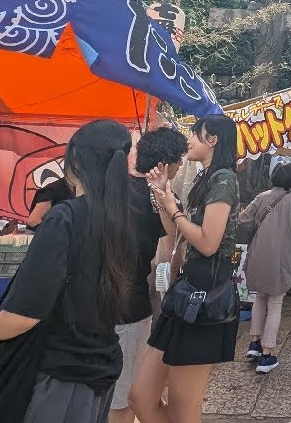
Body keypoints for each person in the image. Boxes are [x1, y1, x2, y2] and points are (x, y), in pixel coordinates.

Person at [0, 120, 140, 422]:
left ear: (75, 161)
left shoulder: (65, 218)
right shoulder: (122, 219)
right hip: (99, 367)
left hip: (58, 375)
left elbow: (23, 316)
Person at [129, 115, 241, 423]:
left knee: (183, 408)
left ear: (213, 139)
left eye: (195, 133)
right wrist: (162, 197)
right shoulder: (206, 179)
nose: (188, 139)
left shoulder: (223, 179)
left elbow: (208, 243)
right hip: (184, 294)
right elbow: (177, 235)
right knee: (140, 397)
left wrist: (174, 210)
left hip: (204, 299)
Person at [109, 127, 186, 423]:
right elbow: (173, 254)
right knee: (124, 399)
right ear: (165, 164)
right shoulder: (165, 201)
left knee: (107, 390)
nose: (181, 166)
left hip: (95, 304)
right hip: (133, 307)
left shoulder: (111, 188)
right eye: (179, 160)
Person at [239, 162, 291, 373]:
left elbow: (243, 219)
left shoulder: (261, 197)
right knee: (275, 303)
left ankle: (254, 343)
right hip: (280, 258)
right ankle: (267, 354)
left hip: (258, 255)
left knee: (259, 297)